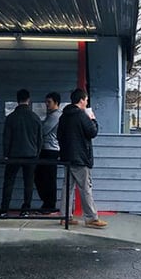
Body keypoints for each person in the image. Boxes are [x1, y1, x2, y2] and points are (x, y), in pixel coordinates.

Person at [56, 87, 107, 228]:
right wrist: (93, 119)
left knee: (67, 188)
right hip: (80, 157)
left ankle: (65, 216)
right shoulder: (81, 115)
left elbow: (59, 135)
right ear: (81, 100)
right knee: (85, 187)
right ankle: (91, 218)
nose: (86, 102)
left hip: (67, 157)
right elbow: (92, 132)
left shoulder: (64, 116)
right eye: (86, 100)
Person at [1, 88, 42, 217]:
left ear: (17, 100)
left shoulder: (11, 117)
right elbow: (40, 139)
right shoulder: (35, 118)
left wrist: (6, 154)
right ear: (28, 100)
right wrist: (37, 154)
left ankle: (4, 209)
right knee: (28, 183)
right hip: (31, 155)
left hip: (13, 154)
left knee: (9, 181)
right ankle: (25, 209)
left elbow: (7, 138)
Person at [35, 91, 61, 213]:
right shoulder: (51, 115)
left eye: (49, 102)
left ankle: (49, 204)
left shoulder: (55, 116)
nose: (46, 104)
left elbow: (43, 130)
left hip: (50, 150)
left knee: (47, 178)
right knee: (42, 177)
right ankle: (47, 202)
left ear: (56, 103)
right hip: (47, 149)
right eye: (46, 102)